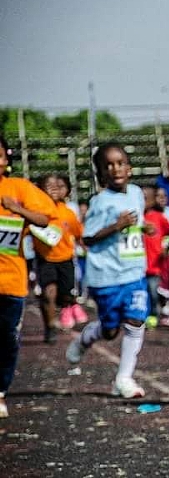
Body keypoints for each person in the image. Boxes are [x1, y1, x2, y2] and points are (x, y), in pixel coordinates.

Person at [66, 143, 150, 398]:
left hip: (134, 272)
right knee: (111, 331)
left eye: (120, 163)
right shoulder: (100, 202)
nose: (116, 169)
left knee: (136, 320)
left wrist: (144, 228)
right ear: (101, 173)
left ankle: (123, 378)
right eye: (108, 166)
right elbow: (88, 238)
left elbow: (136, 224)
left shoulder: (136, 193)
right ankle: (86, 338)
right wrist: (116, 226)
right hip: (107, 276)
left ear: (129, 168)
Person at [0, 135, 55, 418]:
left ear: (6, 160)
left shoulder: (18, 188)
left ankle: (0, 391)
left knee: (7, 339)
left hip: (11, 281)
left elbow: (45, 219)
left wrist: (17, 209)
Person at [32, 174, 85, 342]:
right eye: (50, 186)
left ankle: (66, 306)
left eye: (58, 186)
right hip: (45, 259)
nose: (55, 189)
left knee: (66, 296)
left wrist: (87, 248)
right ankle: (50, 326)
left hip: (66, 260)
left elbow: (79, 234)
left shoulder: (68, 213)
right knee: (49, 294)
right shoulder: (36, 211)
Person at [141, 184, 169, 330]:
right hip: (137, 265)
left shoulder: (158, 217)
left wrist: (166, 250)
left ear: (152, 200)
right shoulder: (134, 217)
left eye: (145, 198)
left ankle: (153, 315)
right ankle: (141, 317)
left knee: (153, 292)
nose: (142, 201)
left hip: (154, 265)